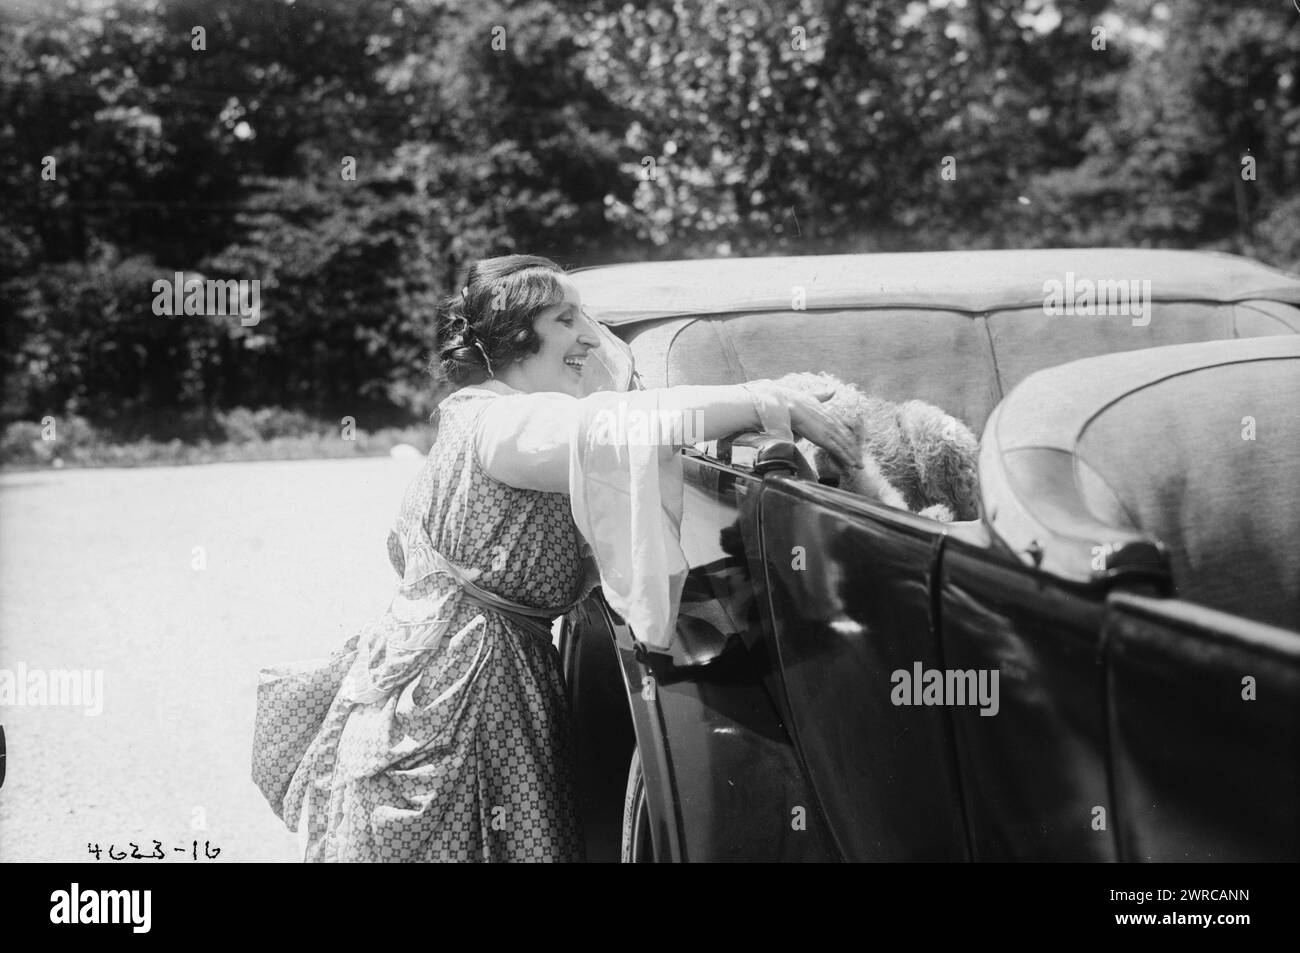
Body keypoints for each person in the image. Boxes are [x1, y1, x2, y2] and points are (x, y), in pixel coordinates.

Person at [279, 254, 860, 862]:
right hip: (474, 678)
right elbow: (624, 423)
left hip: (456, 662)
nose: (587, 335)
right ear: (514, 336)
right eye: (564, 319)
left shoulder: (472, 412)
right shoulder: (509, 422)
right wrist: (767, 402)